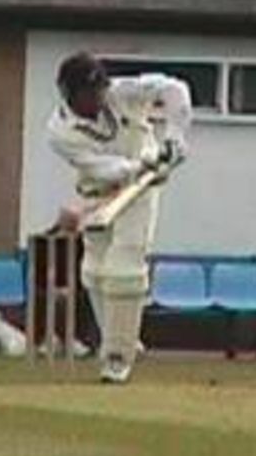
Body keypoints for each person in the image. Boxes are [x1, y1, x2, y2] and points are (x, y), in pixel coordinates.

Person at [46, 52, 191, 384]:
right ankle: (121, 336)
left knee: (125, 263)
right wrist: (143, 166)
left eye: (99, 90)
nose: (97, 99)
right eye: (88, 94)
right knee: (94, 270)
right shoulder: (59, 131)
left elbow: (175, 90)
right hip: (98, 193)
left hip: (139, 193)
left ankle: (117, 356)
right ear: (70, 94)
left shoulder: (124, 92)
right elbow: (100, 168)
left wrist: (174, 136)